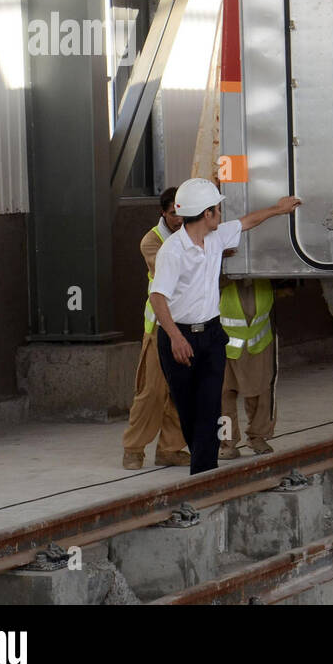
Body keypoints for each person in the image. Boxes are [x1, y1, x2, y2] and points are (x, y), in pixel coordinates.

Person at [149, 178, 300, 474]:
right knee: (190, 410)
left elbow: (246, 222)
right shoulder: (173, 251)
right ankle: (203, 467)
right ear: (207, 214)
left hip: (212, 335)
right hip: (179, 339)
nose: (221, 213)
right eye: (217, 208)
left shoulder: (216, 237)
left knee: (210, 406)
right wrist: (177, 338)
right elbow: (157, 298)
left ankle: (204, 473)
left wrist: (278, 209)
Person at [122, 187, 189, 470]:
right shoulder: (152, 241)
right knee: (151, 391)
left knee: (181, 392)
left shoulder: (193, 234)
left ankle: (171, 449)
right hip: (159, 328)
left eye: (182, 213)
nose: (178, 219)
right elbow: (172, 271)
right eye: (173, 213)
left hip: (188, 325)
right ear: (163, 212)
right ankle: (133, 449)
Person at [218, 276, 277, 458]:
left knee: (261, 391)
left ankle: (258, 436)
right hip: (224, 343)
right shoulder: (214, 253)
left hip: (259, 340)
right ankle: (227, 443)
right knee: (223, 394)